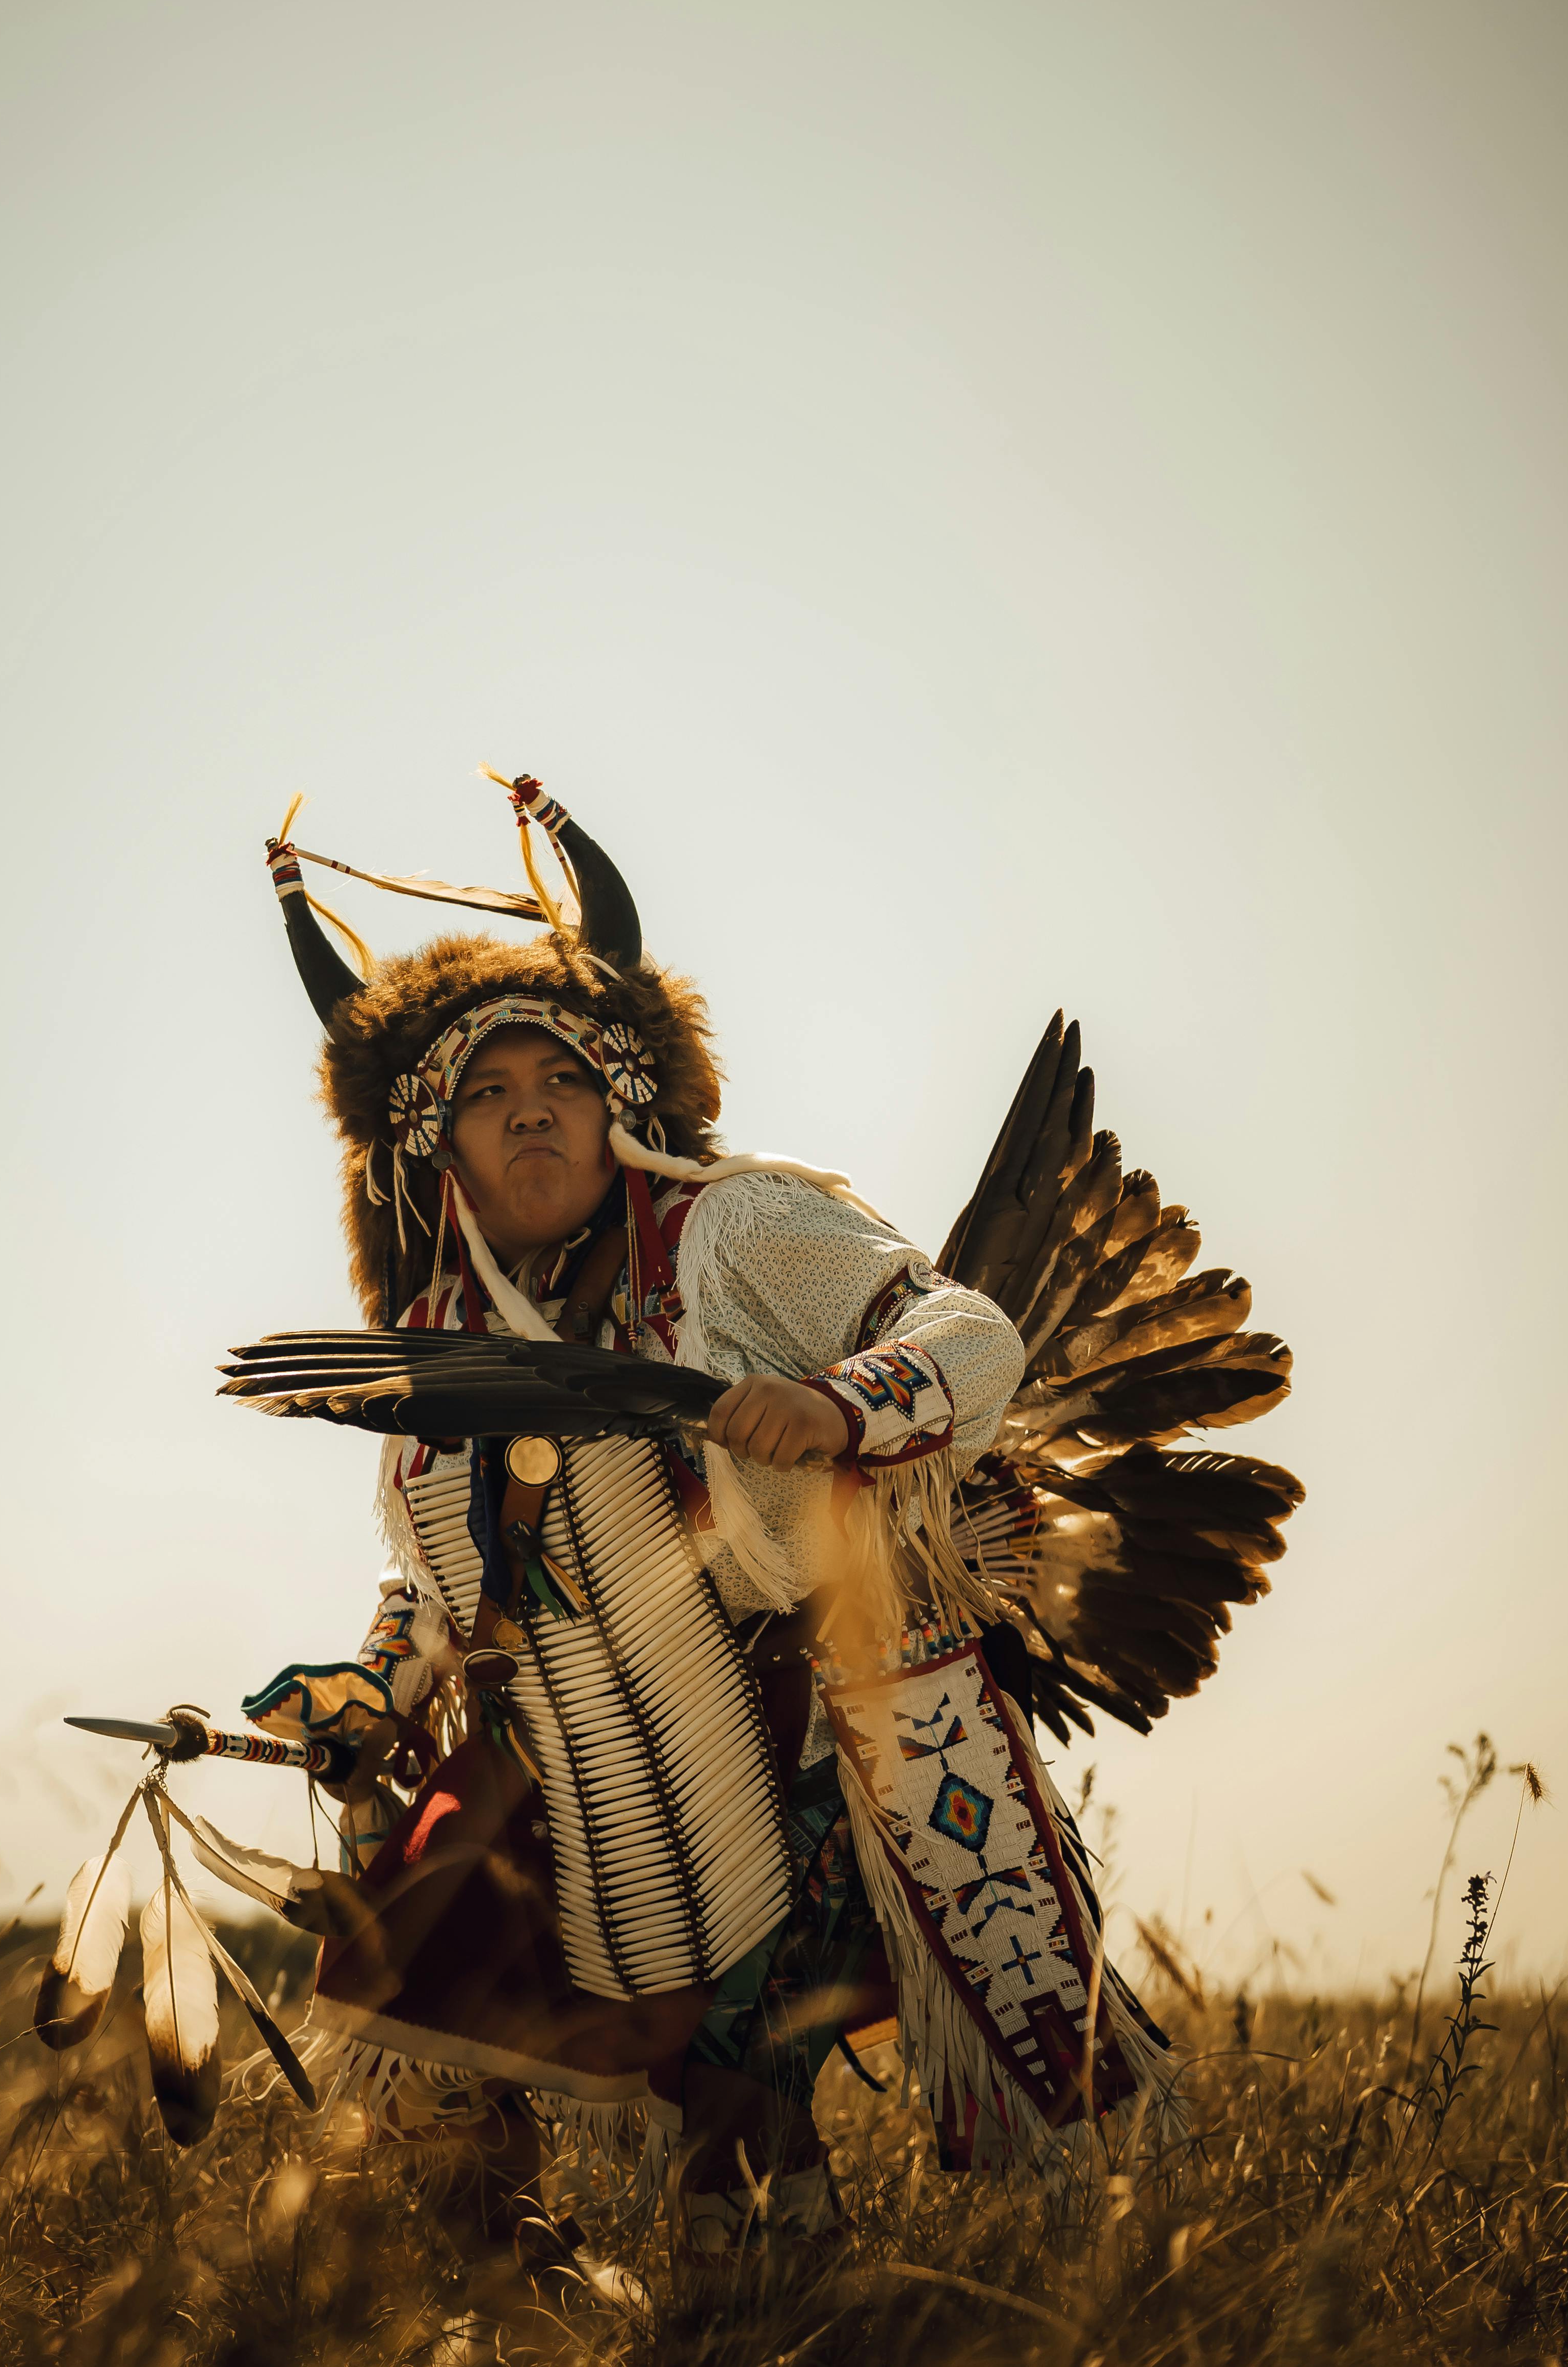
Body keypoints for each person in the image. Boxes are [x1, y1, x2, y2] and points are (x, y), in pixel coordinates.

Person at [227, 773, 1301, 2327]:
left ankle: (1152, 2300)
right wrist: (373, 1685)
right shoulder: (438, 1355)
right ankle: (636, 2310)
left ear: (625, 1105)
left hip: (822, 1710)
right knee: (430, 2014)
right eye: (488, 1089)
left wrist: (840, 1401)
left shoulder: (731, 1234)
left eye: (564, 1077)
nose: (533, 1104)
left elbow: (965, 1327)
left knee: (1002, 2066)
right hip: (587, 1772)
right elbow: (442, 1581)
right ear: (428, 1149)